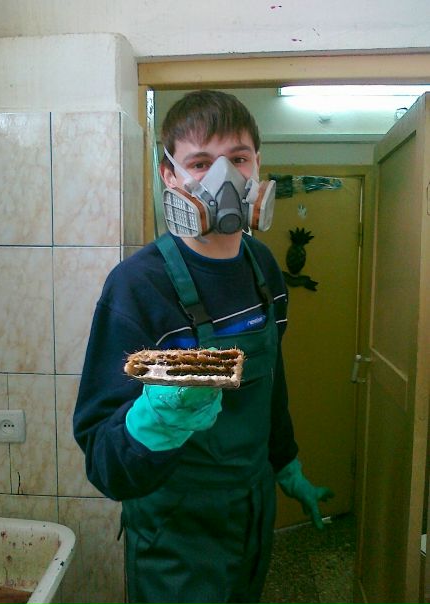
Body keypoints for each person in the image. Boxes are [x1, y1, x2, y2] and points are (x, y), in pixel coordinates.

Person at [73, 89, 333, 604]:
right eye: (199, 163)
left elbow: (271, 380)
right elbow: (104, 460)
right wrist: (156, 418)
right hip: (177, 530)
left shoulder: (264, 267)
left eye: (238, 159)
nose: (224, 179)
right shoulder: (138, 286)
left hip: (251, 507)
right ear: (169, 176)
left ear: (258, 166)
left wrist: (285, 463)